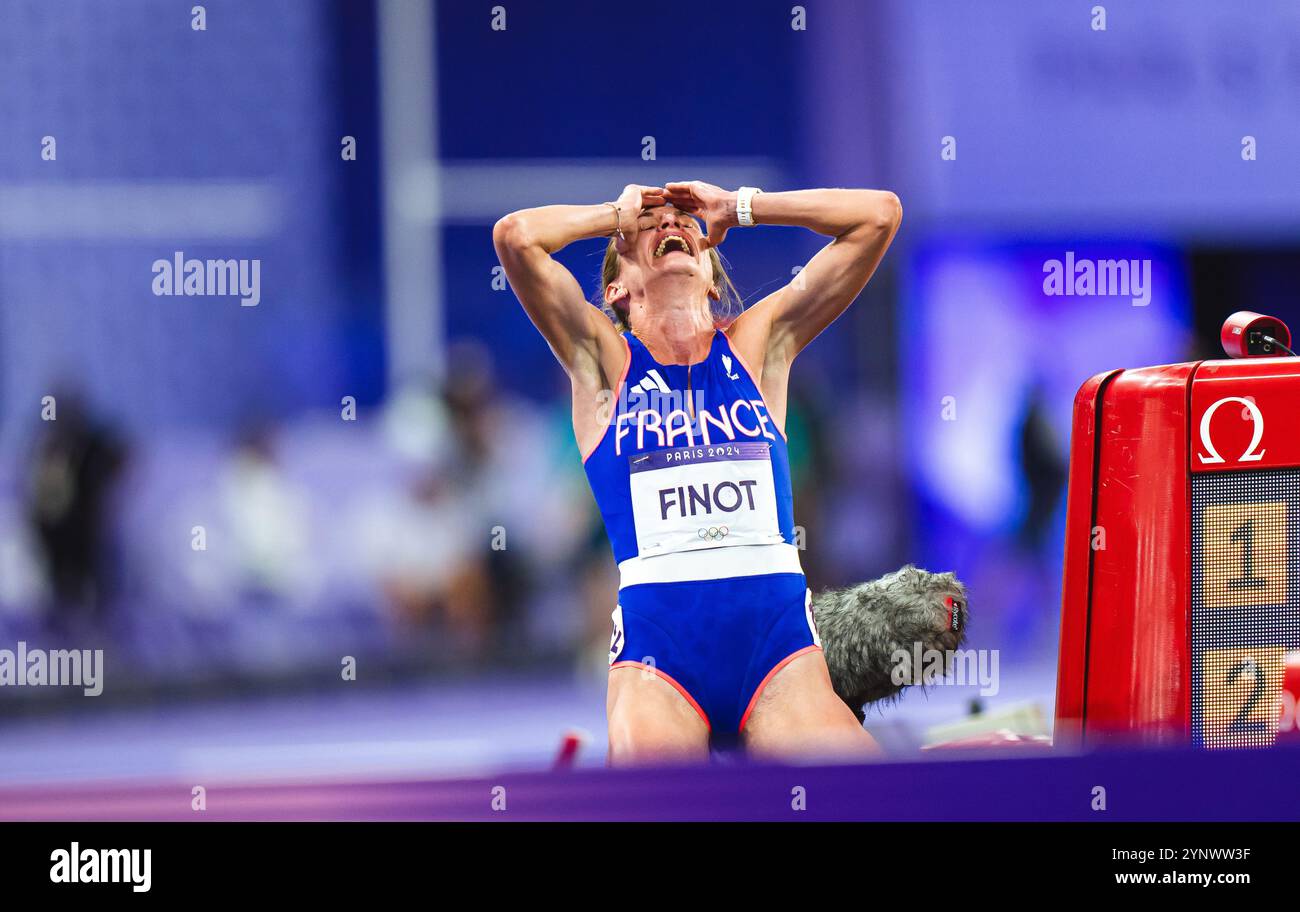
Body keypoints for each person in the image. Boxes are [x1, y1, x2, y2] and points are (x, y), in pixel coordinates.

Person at [493, 180, 902, 763]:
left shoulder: (759, 346)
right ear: (617, 288)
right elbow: (516, 237)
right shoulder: (601, 362)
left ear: (711, 276)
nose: (670, 226)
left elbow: (878, 216)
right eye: (650, 226)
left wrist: (739, 207)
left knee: (883, 807)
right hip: (661, 662)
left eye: (684, 222)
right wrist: (614, 214)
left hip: (779, 655)